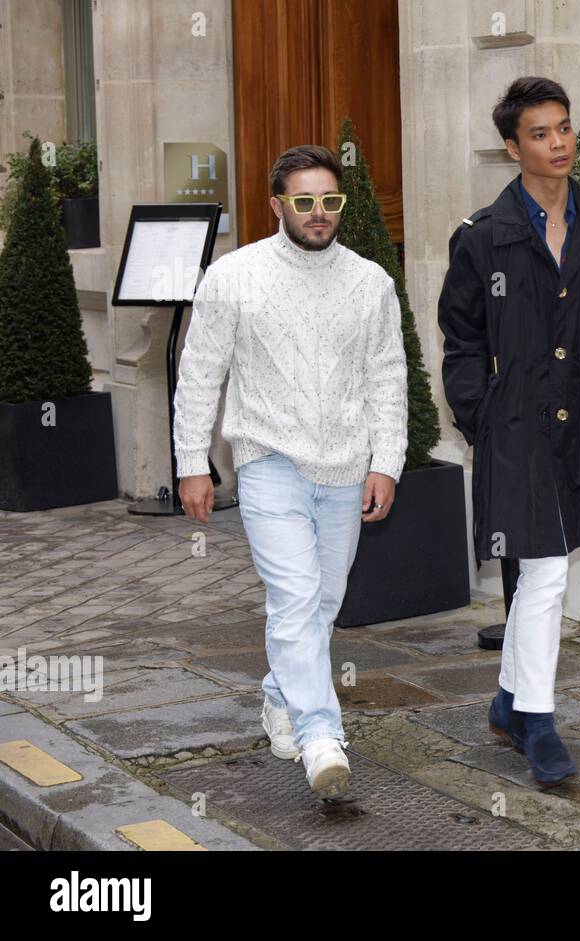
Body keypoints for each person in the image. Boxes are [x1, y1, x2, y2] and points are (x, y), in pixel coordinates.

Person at [172, 144, 408, 799]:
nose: (318, 213)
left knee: (321, 603)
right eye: (303, 201)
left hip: (344, 468)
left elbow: (387, 378)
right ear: (276, 204)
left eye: (329, 201)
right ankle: (320, 734)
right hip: (267, 461)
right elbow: (199, 376)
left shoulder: (370, 282)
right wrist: (193, 463)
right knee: (297, 599)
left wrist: (385, 461)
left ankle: (280, 694)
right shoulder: (234, 276)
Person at [437, 76, 580, 785]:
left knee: (540, 565)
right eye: (540, 132)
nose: (558, 143)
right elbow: (459, 337)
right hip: (517, 425)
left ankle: (505, 701)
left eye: (564, 127)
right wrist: (480, 412)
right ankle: (538, 720)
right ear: (512, 147)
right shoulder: (481, 239)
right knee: (549, 566)